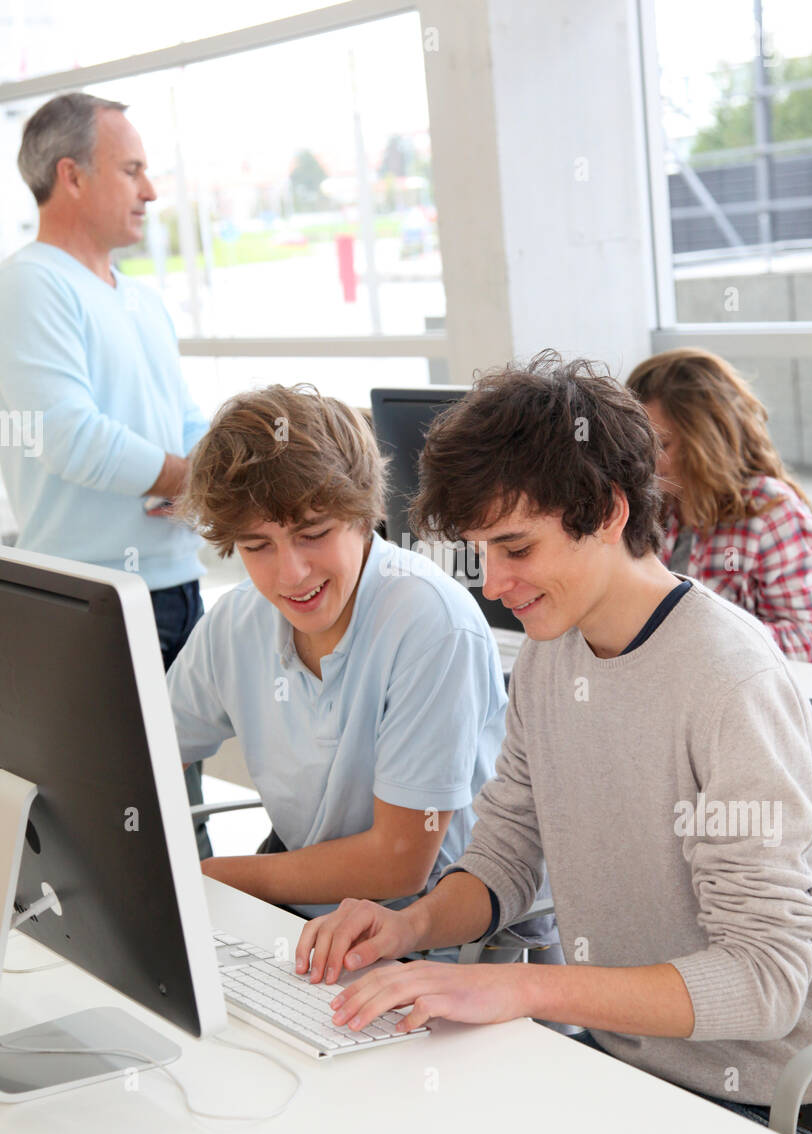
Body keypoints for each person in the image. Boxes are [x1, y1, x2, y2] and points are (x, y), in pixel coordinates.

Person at [293, 351, 812, 1134]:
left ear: (608, 513)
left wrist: (517, 987)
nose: (494, 585)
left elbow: (765, 980)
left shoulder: (730, 681)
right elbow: (505, 858)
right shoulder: (549, 657)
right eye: (482, 553)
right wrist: (411, 923)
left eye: (517, 547)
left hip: (767, 1126)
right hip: (621, 1077)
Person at [167, 382, 555, 962]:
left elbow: (398, 862)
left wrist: (211, 877)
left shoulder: (428, 620)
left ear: (362, 513)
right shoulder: (236, 621)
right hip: (302, 922)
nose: (290, 573)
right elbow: (142, 756)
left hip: (432, 940)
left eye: (313, 535)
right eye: (256, 546)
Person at [0, 91, 211, 851]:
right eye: (131, 170)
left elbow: (186, 425)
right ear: (72, 176)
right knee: (128, 835)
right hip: (100, 602)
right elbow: (67, 436)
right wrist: (183, 479)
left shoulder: (142, 301)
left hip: (176, 591)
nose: (150, 190)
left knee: (180, 814)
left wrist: (201, 474)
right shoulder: (32, 284)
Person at [625, 347, 812, 758]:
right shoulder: (654, 506)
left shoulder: (770, 511)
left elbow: (807, 644)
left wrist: (701, 637)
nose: (648, 462)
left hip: (762, 732)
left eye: (663, 443)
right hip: (674, 716)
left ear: (707, 440)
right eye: (639, 445)